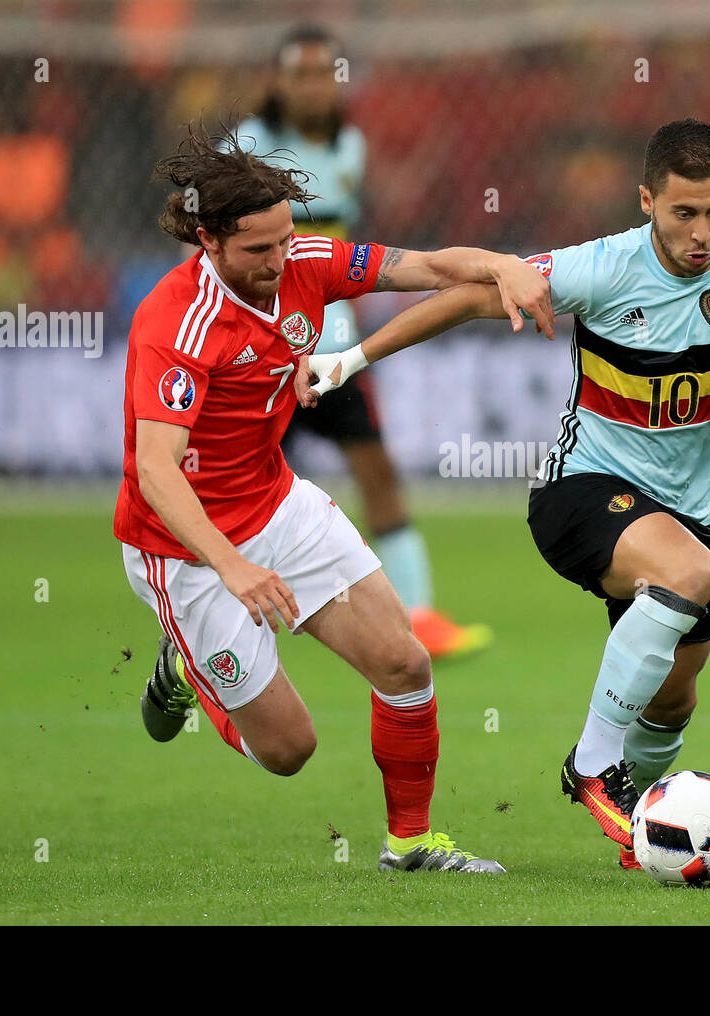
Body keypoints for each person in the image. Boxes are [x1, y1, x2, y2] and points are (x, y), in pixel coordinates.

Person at [299, 117, 710, 869]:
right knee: (689, 576)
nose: (702, 232)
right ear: (646, 200)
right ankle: (593, 766)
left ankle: (645, 837)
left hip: (682, 516)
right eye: (683, 213)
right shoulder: (602, 267)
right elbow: (468, 295)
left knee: (672, 704)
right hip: (581, 491)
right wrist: (351, 357)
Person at [115, 124, 552, 873]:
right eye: (258, 251)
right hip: (184, 549)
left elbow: (425, 266)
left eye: (286, 242)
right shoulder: (174, 323)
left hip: (276, 503)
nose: (279, 262)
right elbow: (156, 471)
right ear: (208, 242)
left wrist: (502, 266)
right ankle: (184, 670)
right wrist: (232, 569)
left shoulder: (305, 260)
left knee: (405, 663)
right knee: (289, 750)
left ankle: (410, 845)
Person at [233, 24, 491, 661]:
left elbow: (338, 249)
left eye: (325, 73)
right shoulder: (244, 147)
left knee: (376, 468)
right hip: (265, 350)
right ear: (277, 81)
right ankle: (207, 621)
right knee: (243, 483)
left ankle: (421, 616)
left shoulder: (351, 144)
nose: (314, 86)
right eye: (301, 74)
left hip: (333, 346)